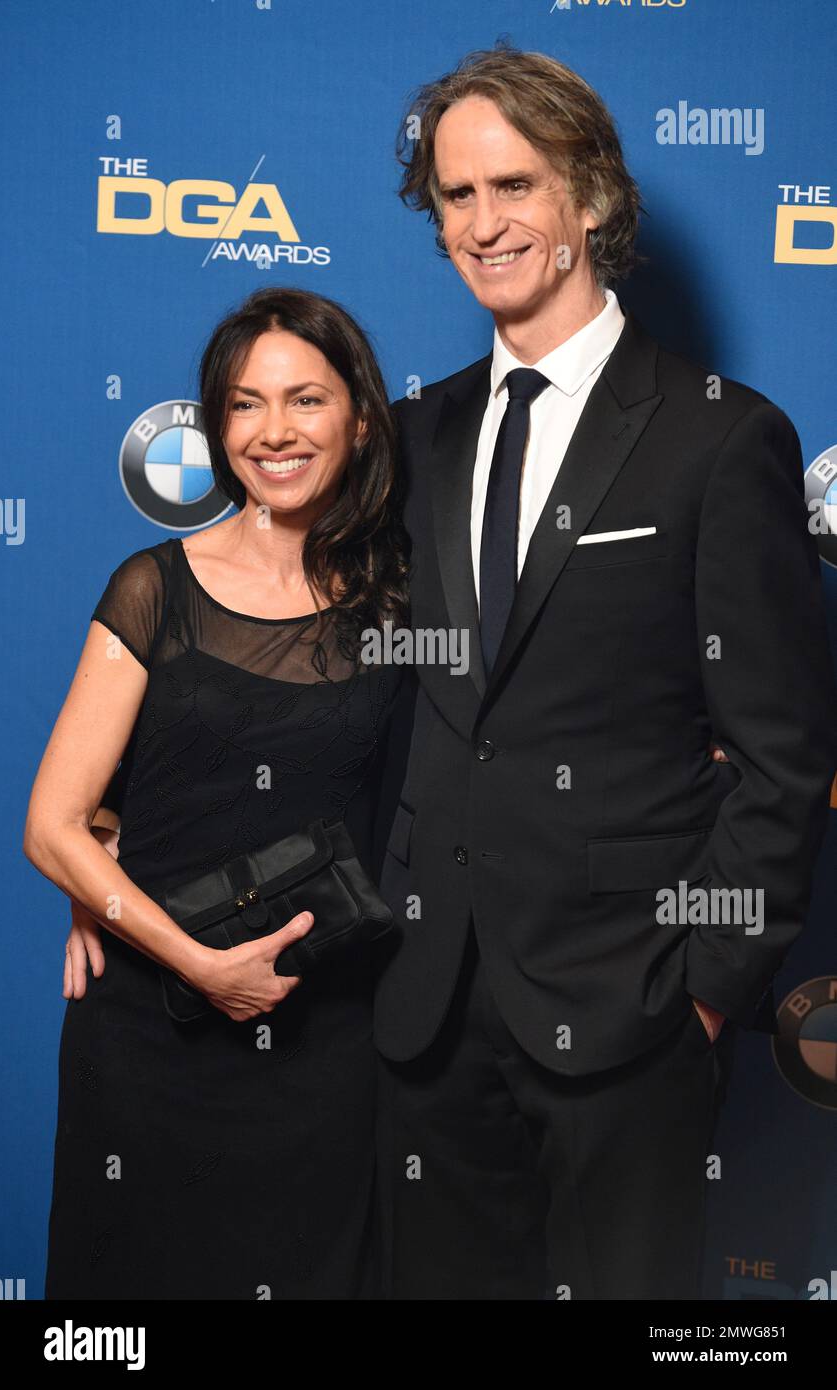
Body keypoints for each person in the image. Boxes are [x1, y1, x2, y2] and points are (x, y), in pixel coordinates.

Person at [371, 46, 837, 1300]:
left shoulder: (721, 434)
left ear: (588, 197)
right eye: (456, 197)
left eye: (513, 186)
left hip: (631, 1010)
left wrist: (701, 997)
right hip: (430, 1009)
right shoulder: (417, 435)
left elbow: (786, 760)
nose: (485, 223)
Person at [24, 287, 408, 1299]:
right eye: (245, 403)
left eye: (306, 400)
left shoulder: (401, 606)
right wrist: (184, 951)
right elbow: (55, 822)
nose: (274, 431)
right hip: (153, 1029)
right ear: (216, 422)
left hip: (326, 1039)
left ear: (360, 419)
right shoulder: (152, 587)